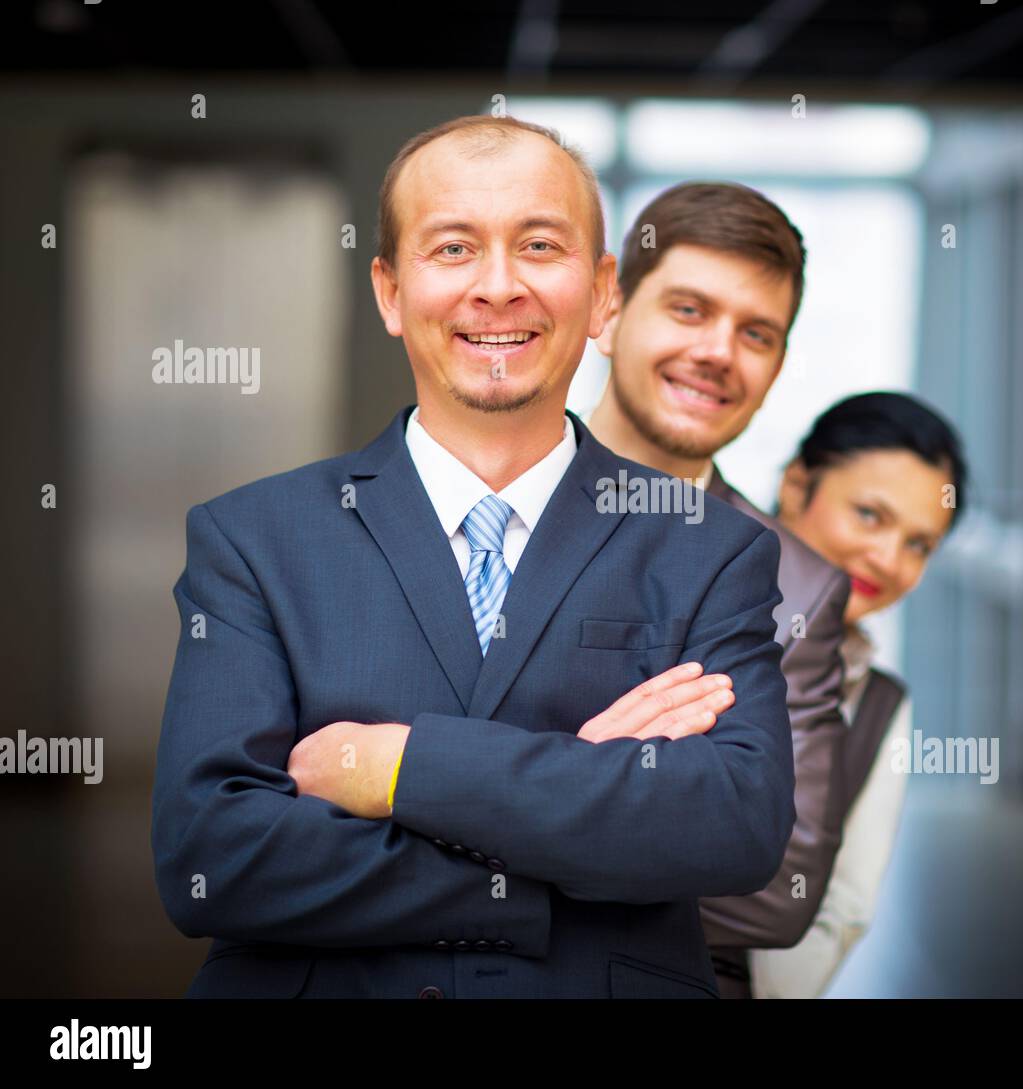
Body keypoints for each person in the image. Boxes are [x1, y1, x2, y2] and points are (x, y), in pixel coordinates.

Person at [150, 115, 798, 999]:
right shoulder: (255, 540)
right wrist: (571, 813)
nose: (498, 287)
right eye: (453, 248)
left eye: (539, 245)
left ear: (604, 292)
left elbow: (730, 827)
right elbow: (213, 858)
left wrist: (396, 768)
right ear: (388, 291)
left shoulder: (711, 550)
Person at [584, 181, 852, 998]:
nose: (719, 353)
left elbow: (777, 888)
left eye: (757, 333)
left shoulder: (796, 584)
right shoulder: (476, 507)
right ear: (609, 308)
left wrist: (496, 829)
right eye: (690, 309)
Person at [748, 391, 969, 998]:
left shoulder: (879, 708)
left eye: (919, 544)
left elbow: (843, 912)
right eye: (871, 515)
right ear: (797, 486)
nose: (888, 559)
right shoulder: (679, 611)